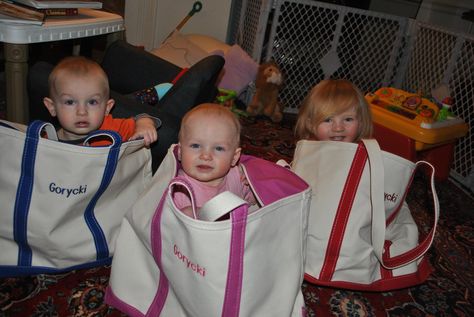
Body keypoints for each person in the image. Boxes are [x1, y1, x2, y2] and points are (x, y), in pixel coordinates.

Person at [43, 56, 159, 146]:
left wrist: (145, 125)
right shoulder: (45, 143)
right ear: (52, 107)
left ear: (107, 108)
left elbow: (141, 119)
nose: (82, 112)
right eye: (70, 102)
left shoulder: (111, 129)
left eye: (92, 102)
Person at [173, 103, 257, 219]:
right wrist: (191, 214)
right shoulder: (179, 188)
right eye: (196, 146)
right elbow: (166, 225)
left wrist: (254, 184)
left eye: (218, 148)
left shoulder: (237, 177)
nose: (206, 156)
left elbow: (257, 203)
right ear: (180, 152)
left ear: (234, 157)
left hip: (235, 235)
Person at [295, 79, 373, 142]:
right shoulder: (307, 154)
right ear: (310, 124)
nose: (338, 128)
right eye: (328, 120)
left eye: (348, 119)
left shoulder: (364, 155)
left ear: (361, 122)